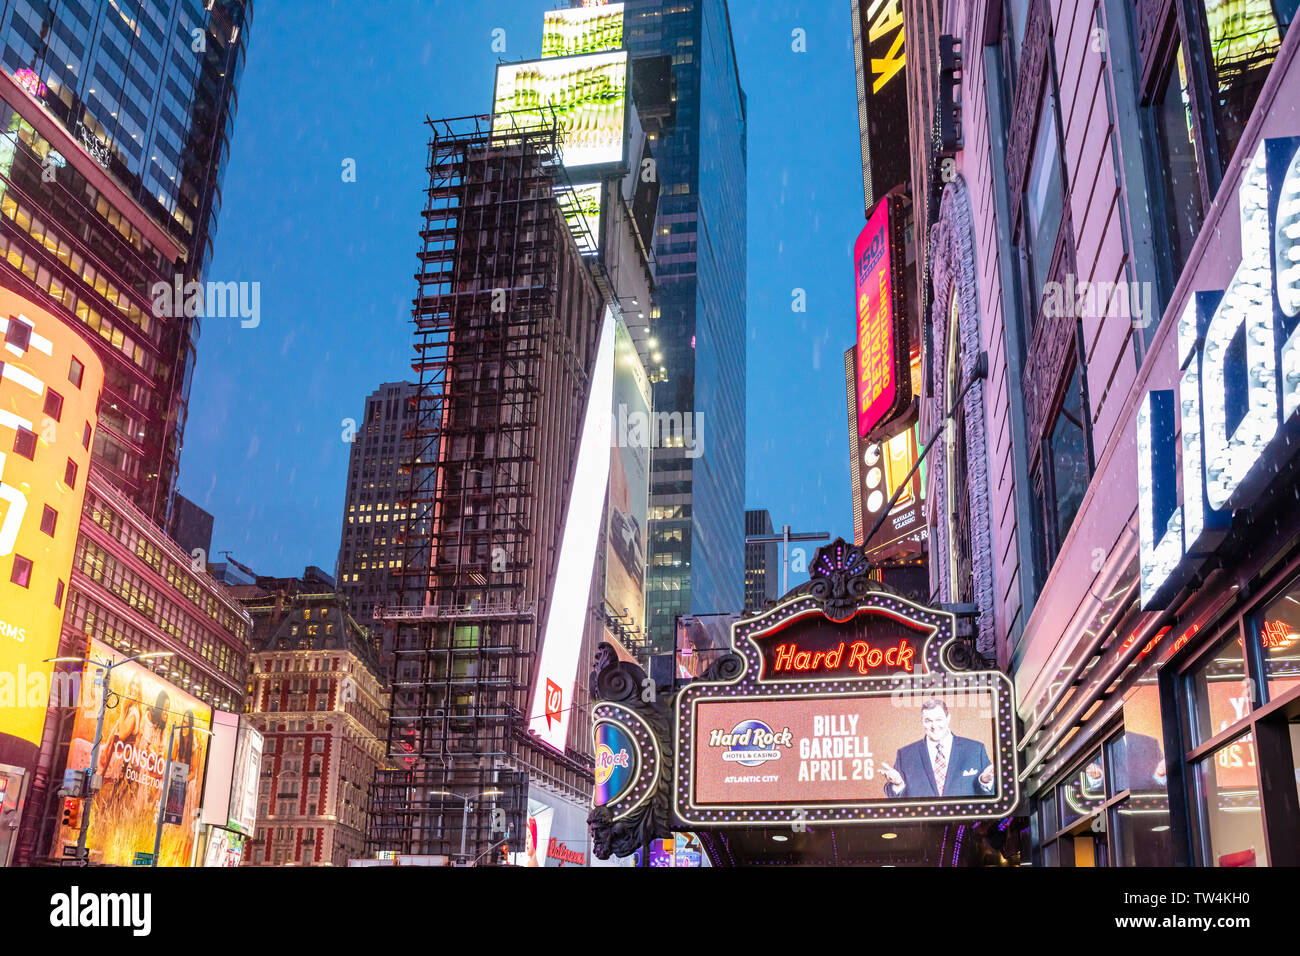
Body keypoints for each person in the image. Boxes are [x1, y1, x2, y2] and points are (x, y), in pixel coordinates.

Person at [881, 699, 995, 798]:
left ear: (948, 718)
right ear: (922, 722)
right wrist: (898, 784)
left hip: (966, 822)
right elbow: (894, 798)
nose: (934, 726)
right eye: (928, 721)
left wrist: (984, 781)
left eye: (938, 719)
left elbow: (993, 793)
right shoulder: (905, 754)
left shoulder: (975, 749)